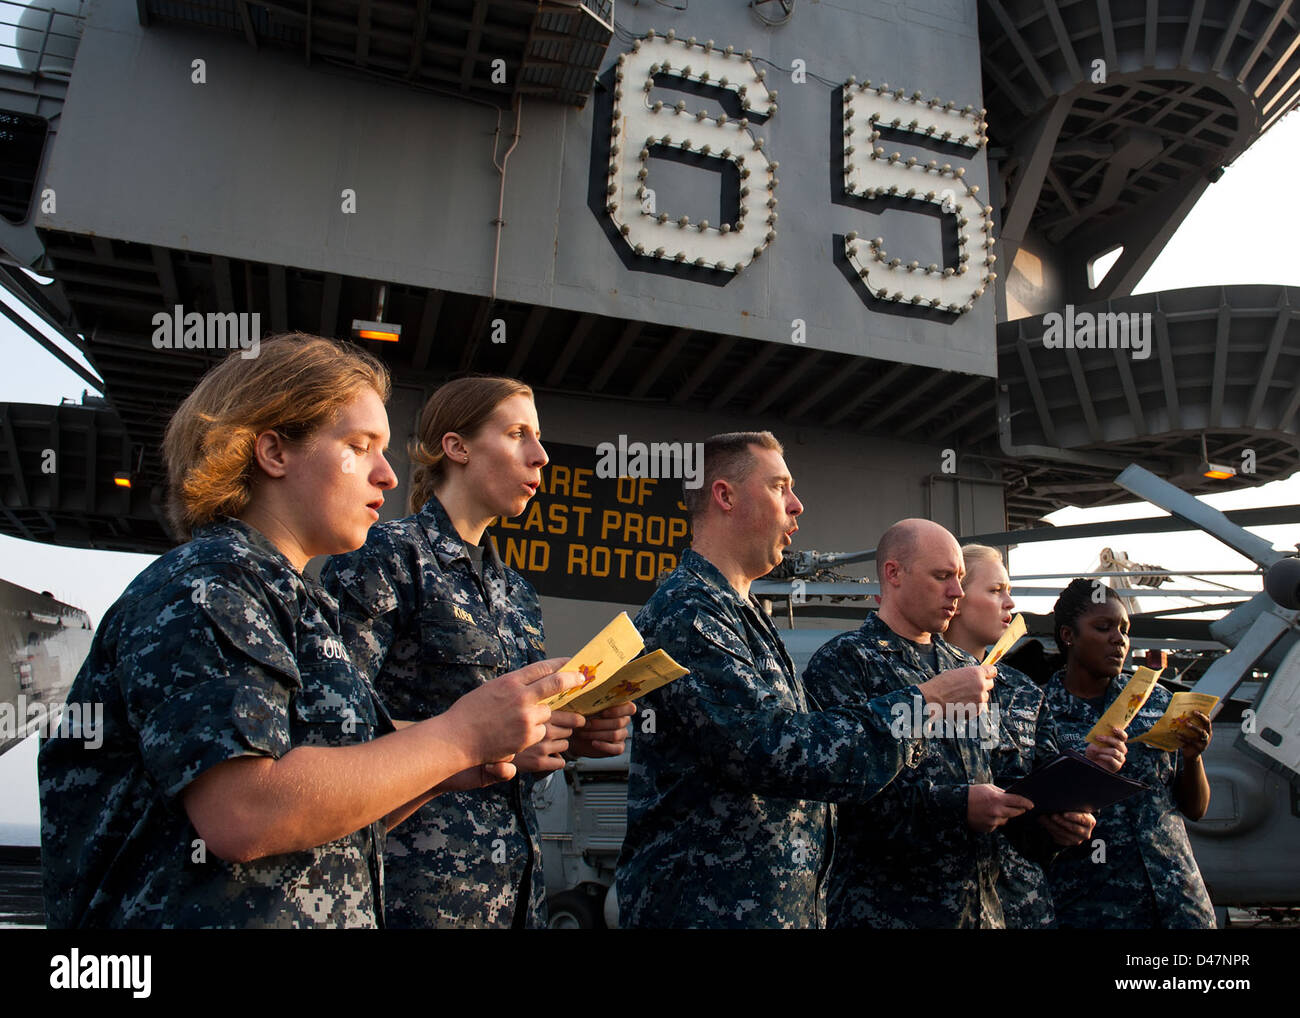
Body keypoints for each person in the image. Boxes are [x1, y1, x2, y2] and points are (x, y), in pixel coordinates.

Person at [37, 335, 579, 928]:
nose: (389, 475)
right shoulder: (209, 586)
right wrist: (460, 737)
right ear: (274, 452)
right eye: (359, 445)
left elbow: (333, 809)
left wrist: (448, 770)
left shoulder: (297, 602)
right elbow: (244, 811)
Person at [616, 433, 995, 928]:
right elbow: (770, 750)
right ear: (725, 496)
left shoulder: (737, 612)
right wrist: (922, 704)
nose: (797, 505)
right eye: (779, 488)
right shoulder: (690, 612)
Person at [322, 376, 633, 928]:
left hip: (516, 895)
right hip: (413, 895)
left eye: (538, 438)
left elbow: (519, 756)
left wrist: (566, 734)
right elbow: (332, 737)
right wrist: (483, 748)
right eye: (518, 434)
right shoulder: (388, 559)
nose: (540, 456)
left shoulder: (516, 593)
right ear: (457, 447)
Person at [944, 544, 1125, 929]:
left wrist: (1073, 808)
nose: (1010, 603)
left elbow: (1046, 784)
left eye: (1008, 590)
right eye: (995, 591)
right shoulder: (919, 687)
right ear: (956, 597)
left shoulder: (1024, 691)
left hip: (1021, 906)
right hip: (943, 904)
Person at [1041, 578, 1217, 928]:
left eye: (1124, 628)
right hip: (1093, 911)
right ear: (1068, 636)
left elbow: (1195, 810)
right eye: (1103, 628)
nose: (1118, 639)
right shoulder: (1039, 712)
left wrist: (1193, 758)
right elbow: (1034, 823)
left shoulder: (1154, 701)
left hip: (1179, 903)